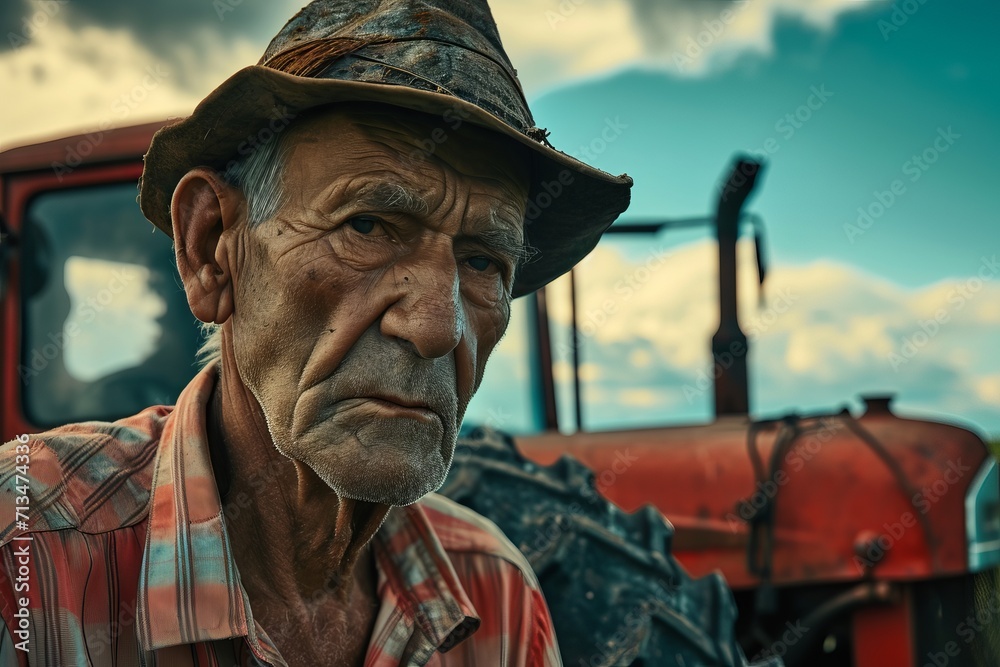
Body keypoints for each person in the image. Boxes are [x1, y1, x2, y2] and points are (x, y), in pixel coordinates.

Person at [0, 0, 632, 664]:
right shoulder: (29, 553)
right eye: (366, 226)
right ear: (214, 248)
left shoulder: (497, 598)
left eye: (482, 262)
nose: (438, 327)